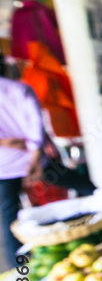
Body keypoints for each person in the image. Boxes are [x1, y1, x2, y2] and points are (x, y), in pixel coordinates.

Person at [0, 64, 46, 269]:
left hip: (4, 167)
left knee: (9, 220)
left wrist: (5, 143)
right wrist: (34, 153)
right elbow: (37, 124)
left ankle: (20, 275)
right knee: (86, 187)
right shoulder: (20, 89)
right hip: (33, 159)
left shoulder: (20, 89)